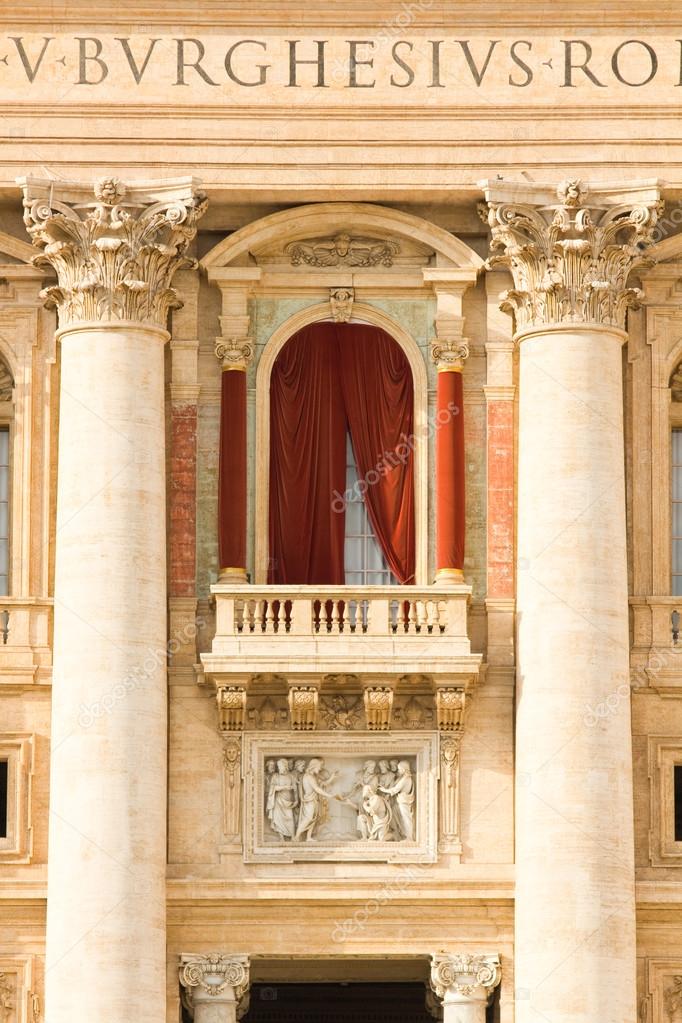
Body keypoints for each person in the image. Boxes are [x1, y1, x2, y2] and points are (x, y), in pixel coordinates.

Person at [294, 758, 337, 841]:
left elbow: (323, 783)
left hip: (314, 801)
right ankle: (297, 836)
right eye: (320, 766)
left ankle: (309, 837)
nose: (320, 769)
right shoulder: (308, 777)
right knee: (308, 818)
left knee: (314, 818)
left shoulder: (314, 777)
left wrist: (332, 777)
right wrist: (329, 795)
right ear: (314, 766)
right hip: (309, 800)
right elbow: (317, 789)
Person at [380, 760, 415, 840]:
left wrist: (384, 790)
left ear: (404, 769)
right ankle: (407, 836)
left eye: (400, 769)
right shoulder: (407, 778)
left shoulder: (405, 779)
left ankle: (409, 838)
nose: (399, 771)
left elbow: (395, 790)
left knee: (406, 819)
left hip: (404, 802)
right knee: (404, 818)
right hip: (403, 801)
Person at [266, 758, 298, 839]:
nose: (279, 768)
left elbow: (295, 790)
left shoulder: (291, 776)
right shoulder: (275, 776)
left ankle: (293, 837)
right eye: (278, 766)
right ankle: (281, 839)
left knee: (290, 818)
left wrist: (297, 800)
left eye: (281, 766)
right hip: (278, 801)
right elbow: (273, 788)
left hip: (288, 802)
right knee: (278, 820)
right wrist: (284, 787)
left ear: (285, 766)